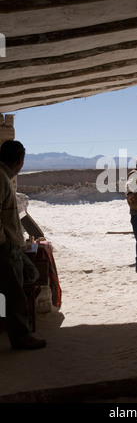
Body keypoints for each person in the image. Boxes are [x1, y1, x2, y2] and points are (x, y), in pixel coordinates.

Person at [0, 140, 47, 350]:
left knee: (27, 275)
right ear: (20, 160)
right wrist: (5, 244)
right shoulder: (1, 179)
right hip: (5, 248)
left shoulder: (4, 177)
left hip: (11, 246)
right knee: (15, 294)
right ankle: (20, 338)